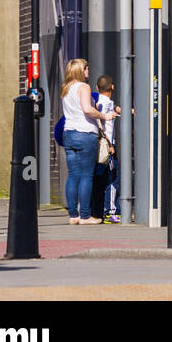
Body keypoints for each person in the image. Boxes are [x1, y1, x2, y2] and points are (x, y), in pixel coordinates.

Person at [60, 58, 121, 225]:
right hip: (85, 134)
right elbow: (87, 109)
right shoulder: (84, 87)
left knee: (73, 176)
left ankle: (74, 215)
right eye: (86, 68)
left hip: (69, 133)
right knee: (87, 176)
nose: (88, 71)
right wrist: (104, 116)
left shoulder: (66, 89)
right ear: (81, 70)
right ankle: (86, 216)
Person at [92, 74, 120, 223]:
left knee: (99, 179)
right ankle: (111, 211)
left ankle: (98, 210)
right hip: (107, 146)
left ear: (97, 88)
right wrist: (110, 145)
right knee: (112, 178)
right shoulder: (106, 103)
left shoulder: (99, 102)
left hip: (99, 146)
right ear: (112, 87)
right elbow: (102, 126)